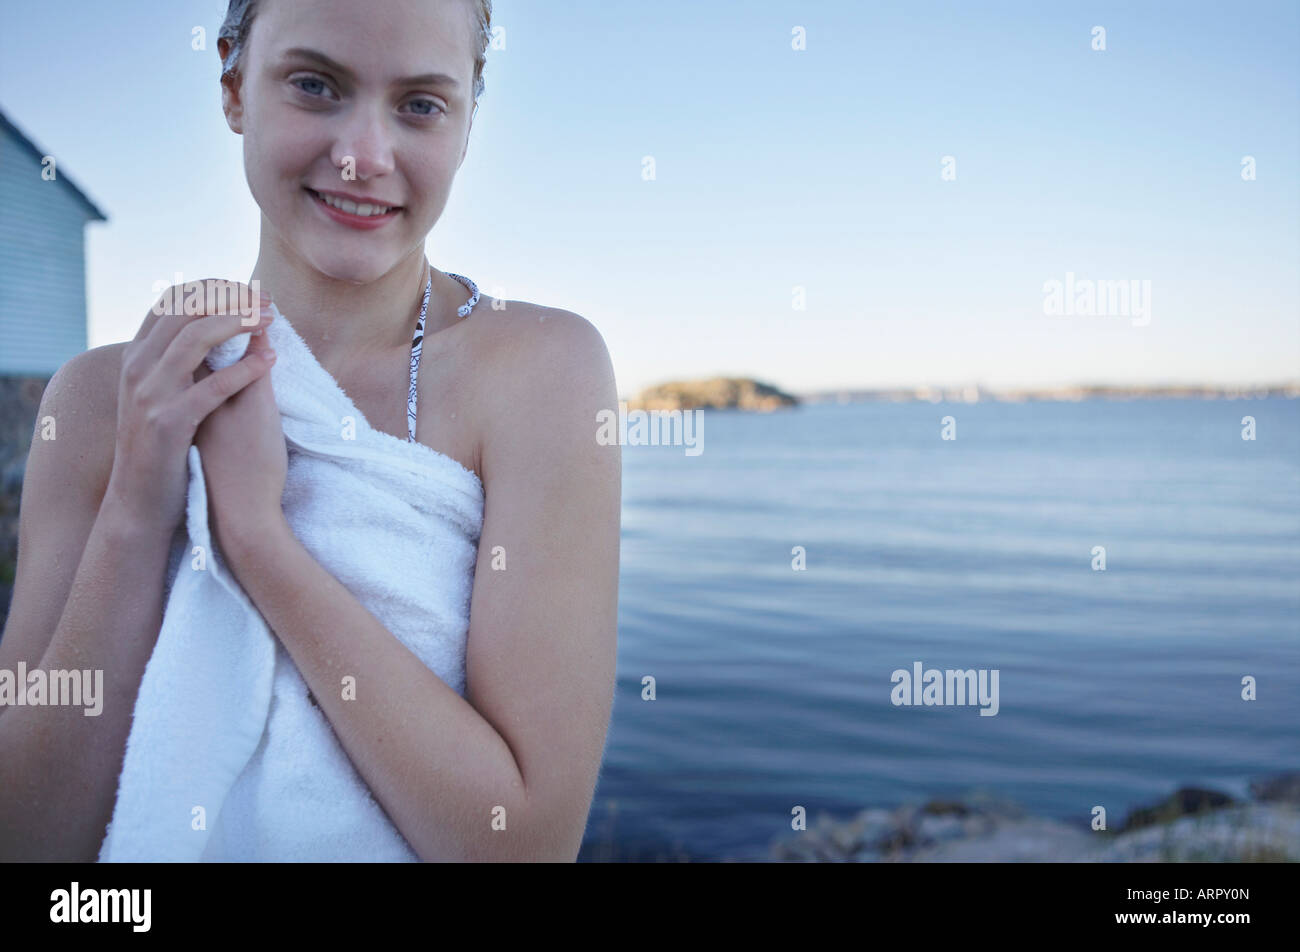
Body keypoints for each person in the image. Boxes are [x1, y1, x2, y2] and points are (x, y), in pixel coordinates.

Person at [0, 0, 621, 862]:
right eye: (315, 85)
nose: (364, 157)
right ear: (233, 86)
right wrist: (139, 507)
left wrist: (257, 537)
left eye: (420, 104)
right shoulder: (105, 397)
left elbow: (521, 845)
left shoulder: (541, 374)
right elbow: (25, 837)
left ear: (469, 117)